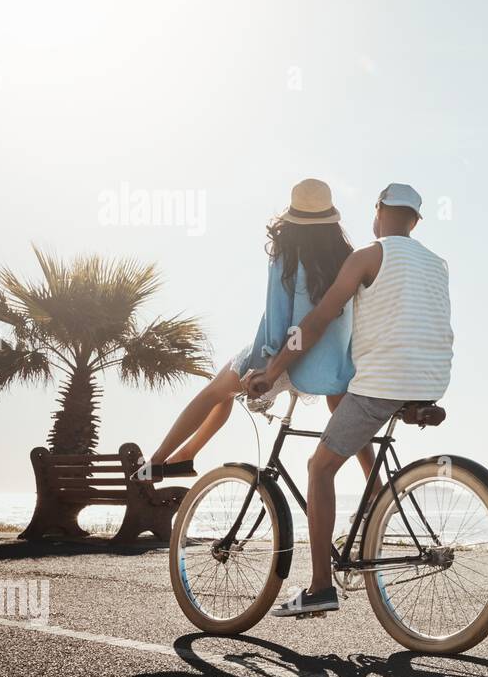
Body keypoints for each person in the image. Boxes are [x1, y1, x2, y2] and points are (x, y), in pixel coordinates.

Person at [243, 183, 453, 617]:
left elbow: (318, 319)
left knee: (319, 468)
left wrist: (273, 369)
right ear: (415, 221)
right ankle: (374, 503)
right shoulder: (437, 264)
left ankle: (320, 588)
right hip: (430, 383)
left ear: (378, 211)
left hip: (382, 386)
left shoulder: (367, 256)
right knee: (344, 411)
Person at [139, 178, 369, 480]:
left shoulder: (287, 252)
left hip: (285, 353)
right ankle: (375, 486)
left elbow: (277, 315)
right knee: (344, 416)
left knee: (215, 393)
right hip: (331, 361)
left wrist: (269, 363)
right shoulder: (347, 257)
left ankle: (156, 463)